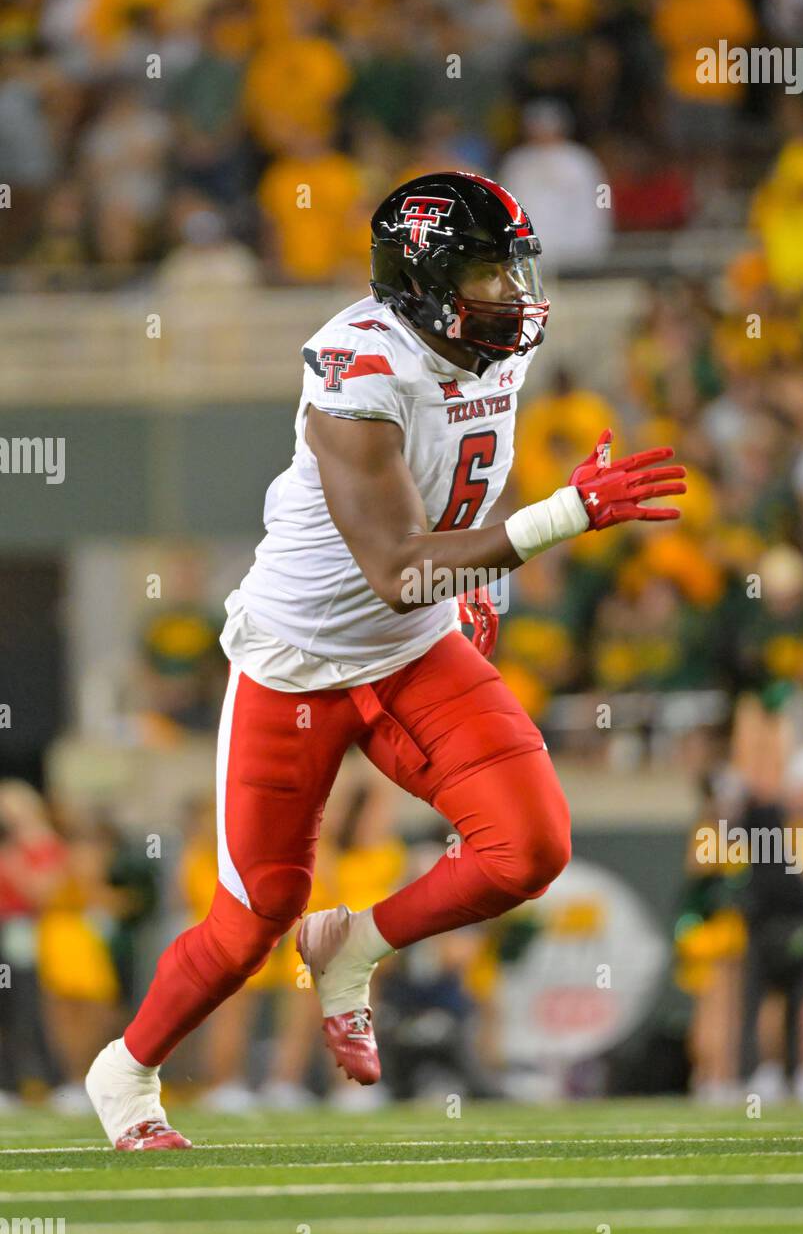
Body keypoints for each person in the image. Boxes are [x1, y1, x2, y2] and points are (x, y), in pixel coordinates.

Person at [85, 170, 686, 1150]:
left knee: (530, 845)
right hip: (301, 658)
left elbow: (455, 497)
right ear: (427, 282)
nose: (512, 290)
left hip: (410, 652)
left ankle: (354, 944)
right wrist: (566, 514)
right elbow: (402, 567)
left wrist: (482, 590)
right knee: (254, 915)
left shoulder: (491, 354)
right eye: (490, 270)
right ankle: (126, 1070)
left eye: (512, 266)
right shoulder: (358, 373)